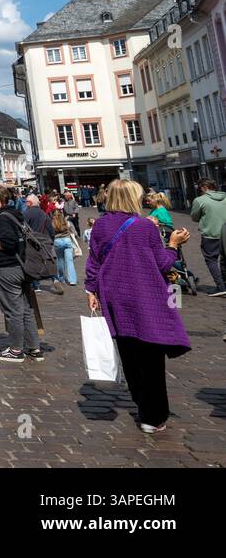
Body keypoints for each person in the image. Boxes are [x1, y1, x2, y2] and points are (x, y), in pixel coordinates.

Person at [86, 179, 191, 433]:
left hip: (114, 295)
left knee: (129, 354)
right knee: (151, 359)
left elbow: (94, 261)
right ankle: (152, 417)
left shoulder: (100, 225)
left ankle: (142, 404)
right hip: (146, 297)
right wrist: (174, 245)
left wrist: (91, 290)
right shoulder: (144, 227)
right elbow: (163, 264)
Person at [0, 184, 43, 363]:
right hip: (23, 267)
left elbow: (8, 244)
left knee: (13, 310)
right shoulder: (17, 214)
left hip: (7, 268)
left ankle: (16, 349)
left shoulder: (3, 218)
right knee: (27, 308)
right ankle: (34, 347)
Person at [189, 178, 226, 294]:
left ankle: (221, 286)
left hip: (211, 234)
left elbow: (194, 217)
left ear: (204, 187)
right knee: (224, 260)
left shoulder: (200, 200)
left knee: (211, 260)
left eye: (199, 188)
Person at [50, 210, 78, 292]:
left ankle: (61, 278)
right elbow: (74, 232)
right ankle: (72, 280)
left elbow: (51, 233)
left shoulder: (53, 223)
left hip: (57, 241)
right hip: (67, 240)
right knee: (70, 261)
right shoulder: (66, 222)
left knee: (60, 260)